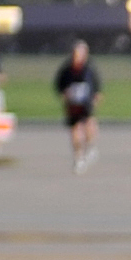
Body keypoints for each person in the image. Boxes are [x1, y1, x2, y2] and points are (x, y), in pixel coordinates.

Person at [54, 40, 102, 172]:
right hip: (73, 104)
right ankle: (78, 158)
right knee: (75, 129)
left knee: (89, 124)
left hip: (86, 102)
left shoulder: (89, 69)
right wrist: (64, 94)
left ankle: (91, 147)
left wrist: (96, 96)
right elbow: (59, 85)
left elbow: (96, 85)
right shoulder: (66, 70)